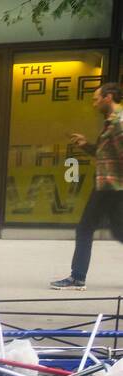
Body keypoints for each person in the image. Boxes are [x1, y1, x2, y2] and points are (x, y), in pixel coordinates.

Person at [50, 82, 123, 290]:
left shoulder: (119, 122)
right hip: (111, 186)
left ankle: (77, 277)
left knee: (84, 228)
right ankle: (77, 277)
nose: (94, 103)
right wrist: (86, 145)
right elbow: (106, 155)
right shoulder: (111, 121)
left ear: (108, 97)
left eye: (96, 98)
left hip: (110, 186)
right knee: (118, 231)